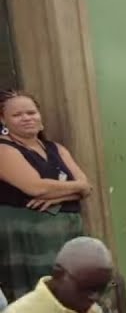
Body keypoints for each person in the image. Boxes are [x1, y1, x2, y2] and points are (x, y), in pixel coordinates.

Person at [0, 90, 92, 301]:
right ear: (3, 120)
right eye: (17, 115)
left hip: (67, 233)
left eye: (31, 112)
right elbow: (35, 187)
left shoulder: (56, 148)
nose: (26, 118)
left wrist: (59, 196)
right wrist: (75, 188)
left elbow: (87, 186)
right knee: (39, 298)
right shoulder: (4, 149)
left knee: (73, 292)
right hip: (28, 237)